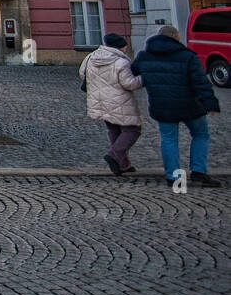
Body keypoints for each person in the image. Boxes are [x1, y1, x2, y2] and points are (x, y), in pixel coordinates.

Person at [131, 25, 222, 187]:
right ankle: (199, 172)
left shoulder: (144, 56)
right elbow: (201, 83)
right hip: (190, 106)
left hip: (162, 105)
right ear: (177, 38)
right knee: (201, 135)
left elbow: (134, 71)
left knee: (169, 139)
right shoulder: (188, 56)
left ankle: (174, 177)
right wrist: (211, 104)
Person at [79, 33, 144, 177]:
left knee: (114, 130)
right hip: (120, 101)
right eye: (125, 46)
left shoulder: (91, 57)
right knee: (132, 130)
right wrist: (143, 79)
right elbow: (129, 83)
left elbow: (83, 74)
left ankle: (123, 164)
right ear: (120, 47)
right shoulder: (121, 62)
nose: (126, 49)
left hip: (99, 100)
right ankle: (114, 155)